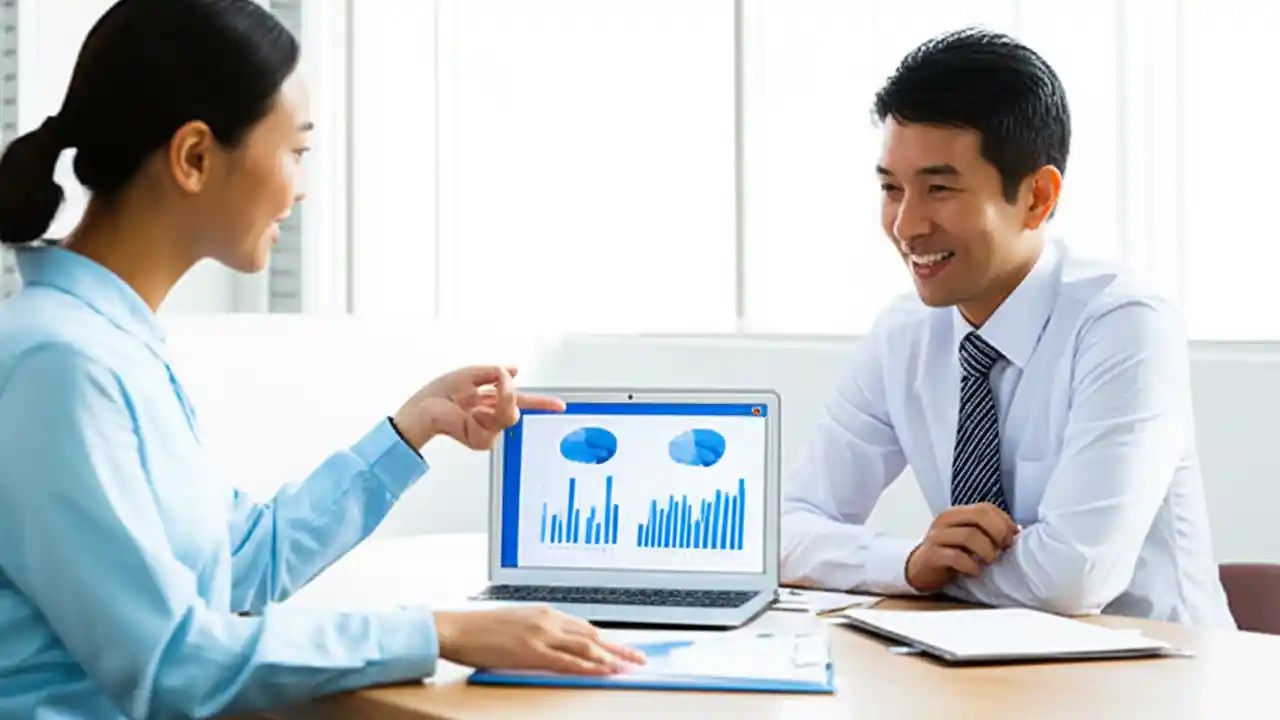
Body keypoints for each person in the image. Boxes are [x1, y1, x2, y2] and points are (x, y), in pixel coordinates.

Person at [0, 1, 641, 717]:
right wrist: (442, 631)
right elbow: (171, 659)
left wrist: (409, 432)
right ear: (195, 158)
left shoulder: (111, 347)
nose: (302, 189)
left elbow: (240, 564)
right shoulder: (59, 364)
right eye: (296, 151)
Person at [780, 28, 1233, 628]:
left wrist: (924, 574)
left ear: (1038, 198)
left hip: (1153, 675)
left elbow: (1073, 579)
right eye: (892, 189)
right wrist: (909, 562)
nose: (906, 225)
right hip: (974, 673)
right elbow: (786, 530)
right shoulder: (904, 334)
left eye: (939, 189)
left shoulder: (1125, 326)